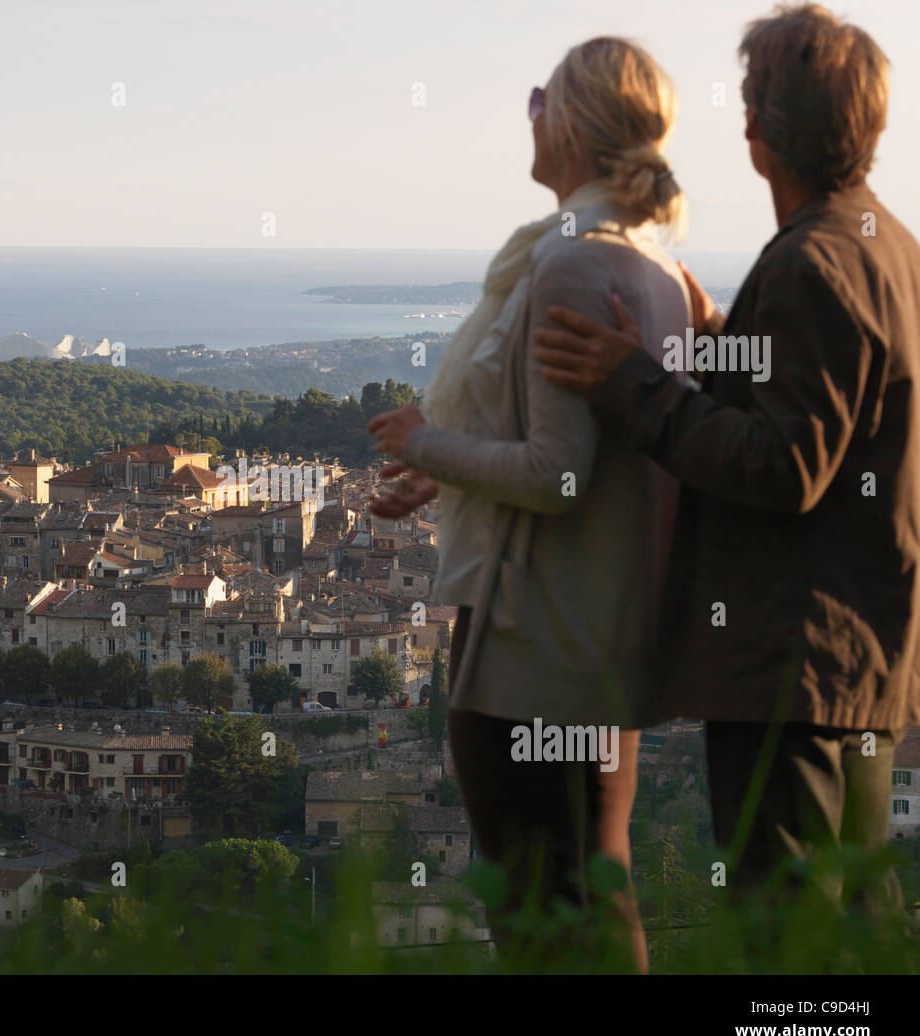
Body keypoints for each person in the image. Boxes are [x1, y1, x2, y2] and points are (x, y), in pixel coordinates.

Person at [533, 4, 919, 911]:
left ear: (758, 130)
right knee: (853, 919)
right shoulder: (886, 249)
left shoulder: (813, 265)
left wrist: (636, 385)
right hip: (859, 656)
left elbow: (787, 465)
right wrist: (715, 338)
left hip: (792, 666)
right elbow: (828, 405)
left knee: (793, 938)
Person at [367, 36, 691, 971]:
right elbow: (589, 449)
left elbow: (557, 474)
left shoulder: (571, 265)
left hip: (535, 641)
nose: (529, 102)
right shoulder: (652, 266)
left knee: (540, 902)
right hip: (600, 636)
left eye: (545, 93)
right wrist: (451, 472)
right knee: (592, 884)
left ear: (582, 124)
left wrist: (427, 443)